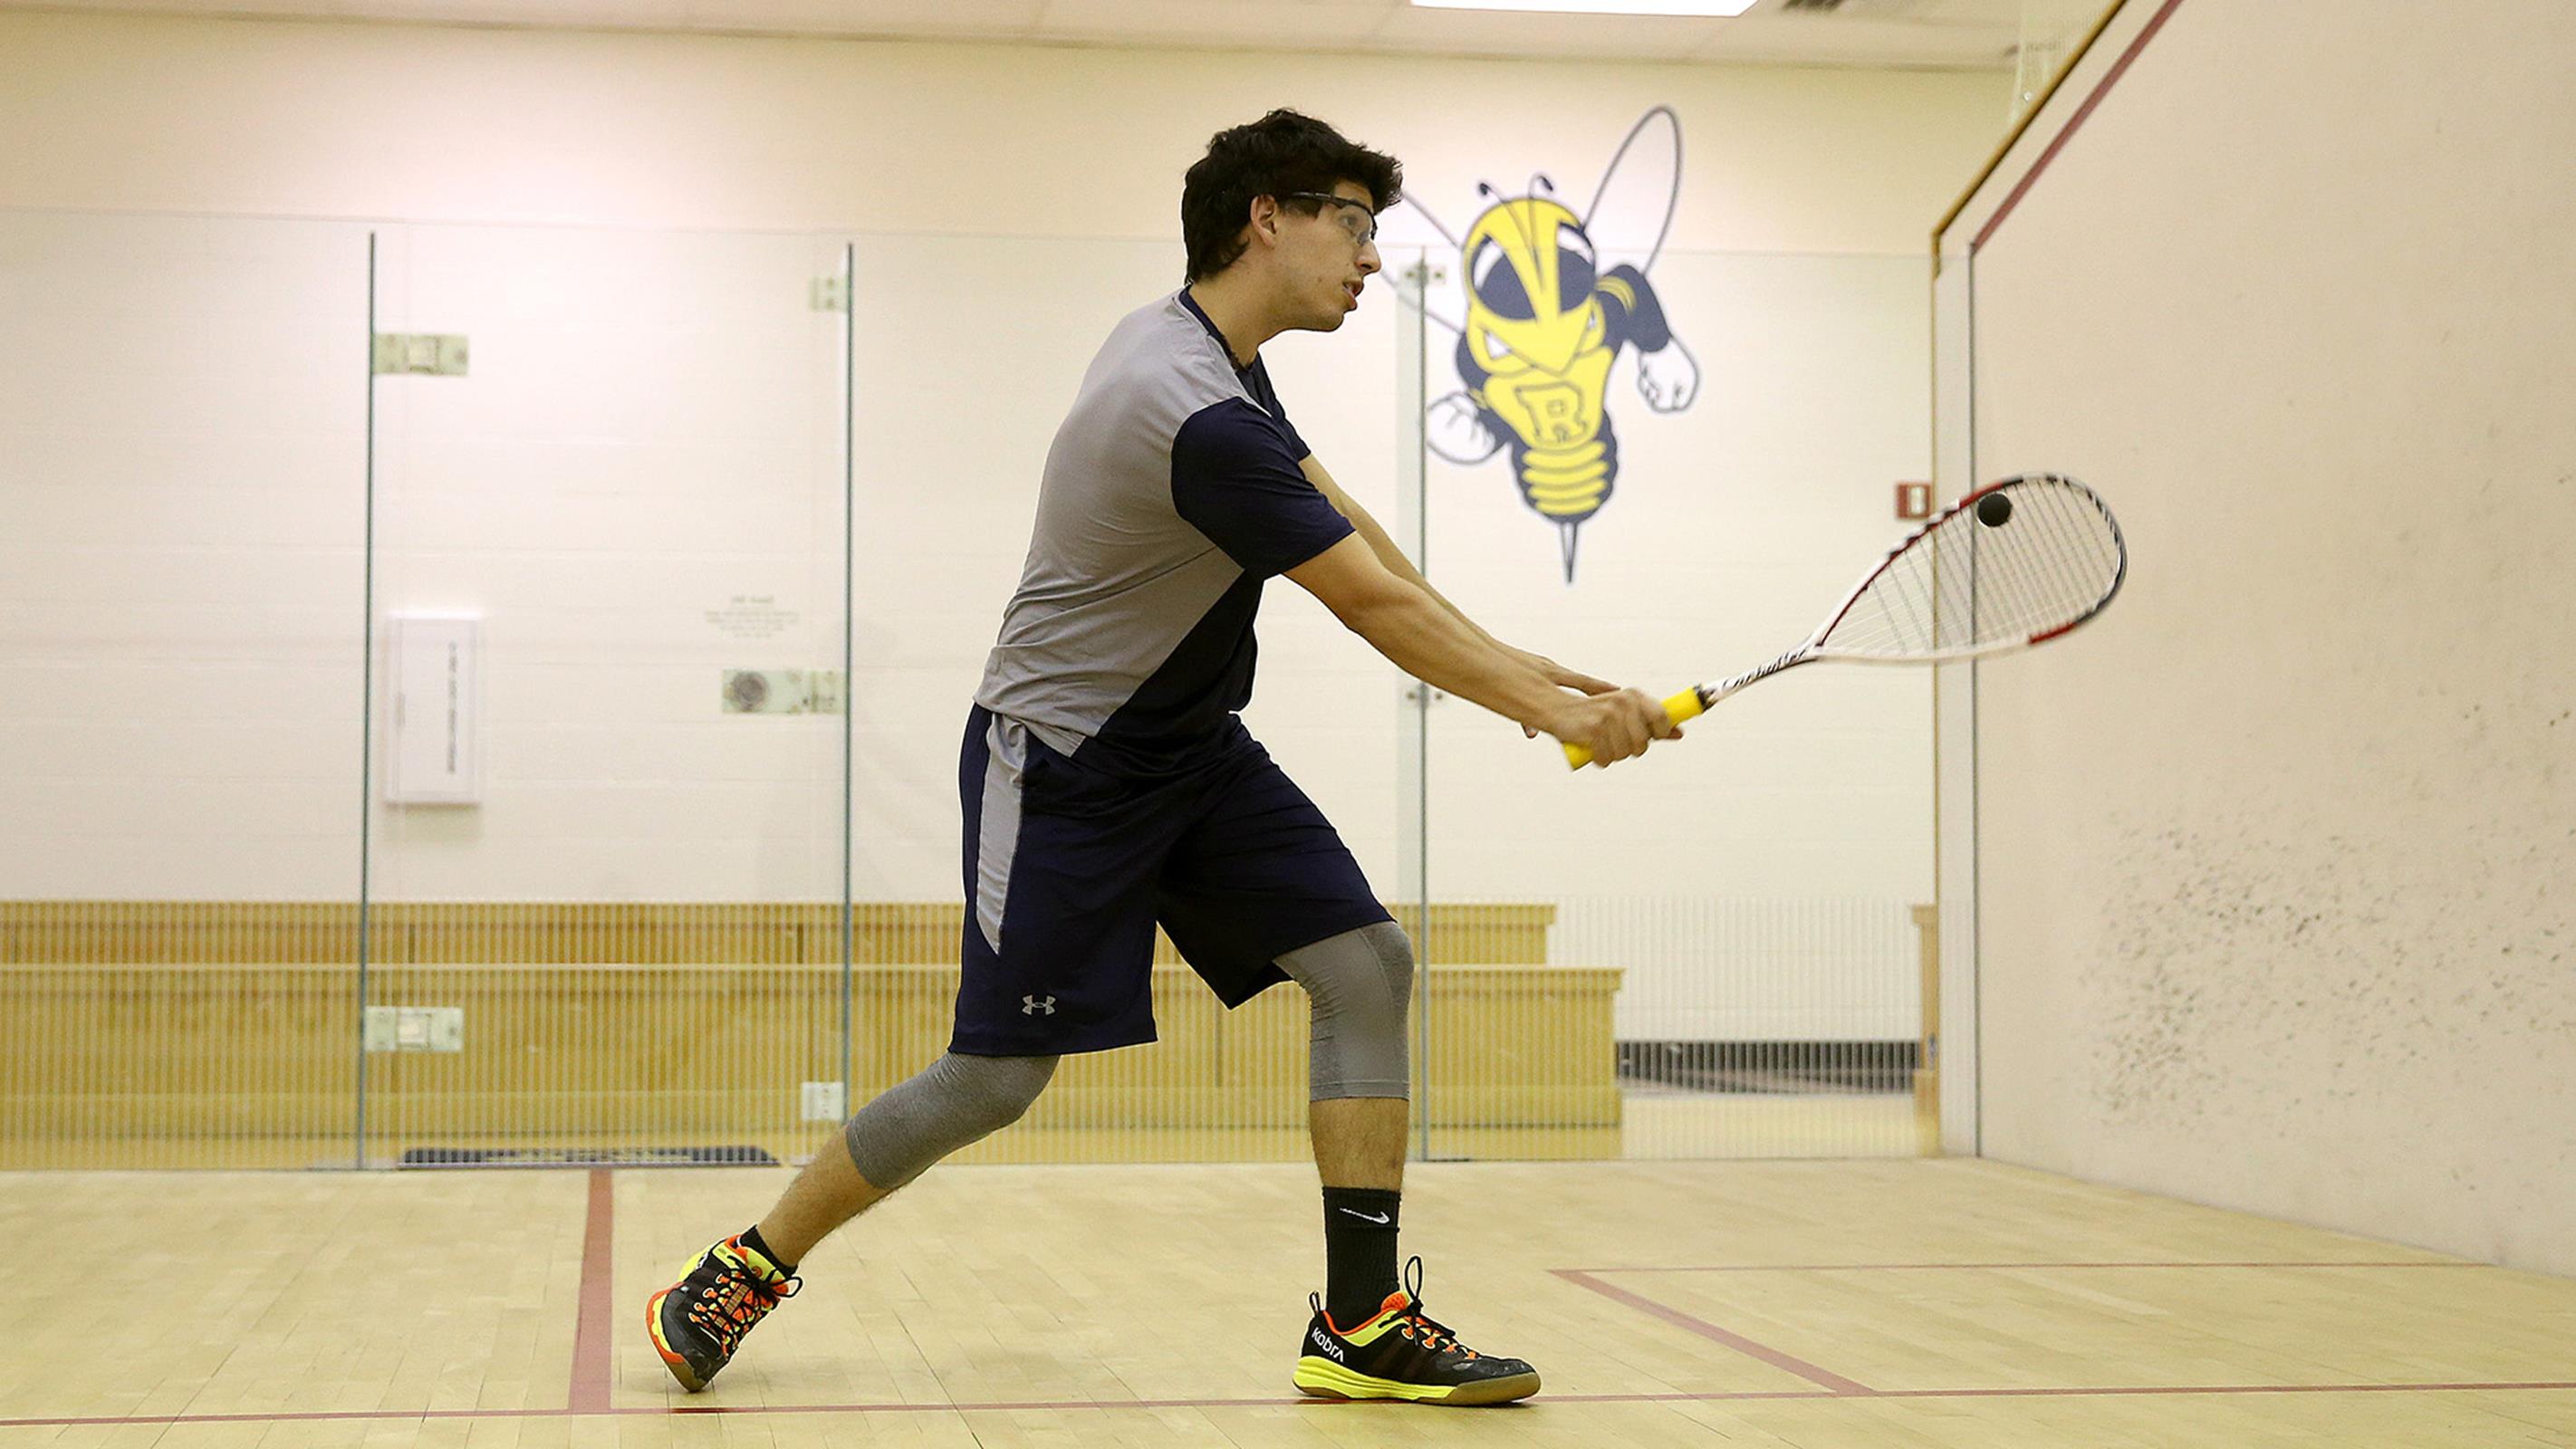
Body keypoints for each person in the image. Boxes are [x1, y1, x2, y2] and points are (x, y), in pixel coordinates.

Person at [646, 108, 1680, 1408]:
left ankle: (1361, 1323)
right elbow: (1366, 604)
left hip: (1191, 751)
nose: (1372, 256)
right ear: (1266, 219)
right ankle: (741, 1269)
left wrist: (1524, 671)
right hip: (1062, 763)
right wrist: (1549, 710)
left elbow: (1351, 526)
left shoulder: (1204, 351)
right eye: (1352, 223)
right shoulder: (1193, 413)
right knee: (995, 1080)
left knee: (1366, 965)